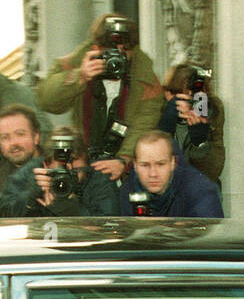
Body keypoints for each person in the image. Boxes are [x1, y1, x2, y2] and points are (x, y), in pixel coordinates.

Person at [35, 14, 163, 182]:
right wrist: (79, 76)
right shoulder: (75, 63)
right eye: (109, 52)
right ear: (95, 48)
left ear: (133, 50)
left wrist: (123, 159)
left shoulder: (146, 80)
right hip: (84, 158)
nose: (117, 59)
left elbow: (144, 123)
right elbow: (47, 101)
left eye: (124, 51)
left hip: (125, 163)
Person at [0, 126, 118, 218]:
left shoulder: (99, 174)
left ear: (86, 161)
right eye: (61, 167)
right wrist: (29, 198)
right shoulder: (30, 174)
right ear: (45, 164)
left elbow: (110, 228)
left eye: (74, 163)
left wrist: (74, 211)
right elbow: (1, 219)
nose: (68, 170)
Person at [119, 130, 223, 218]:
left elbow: (209, 240)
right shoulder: (127, 192)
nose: (153, 174)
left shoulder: (201, 191)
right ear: (135, 165)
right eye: (145, 165)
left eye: (160, 164)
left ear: (173, 163)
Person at [158, 62, 224, 185]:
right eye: (179, 92)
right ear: (167, 92)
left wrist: (200, 143)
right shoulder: (156, 110)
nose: (189, 97)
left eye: (194, 93)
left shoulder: (208, 111)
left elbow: (214, 170)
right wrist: (165, 128)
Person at [0, 104, 43, 193]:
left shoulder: (56, 169)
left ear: (36, 137)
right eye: (5, 137)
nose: (14, 142)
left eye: (20, 134)